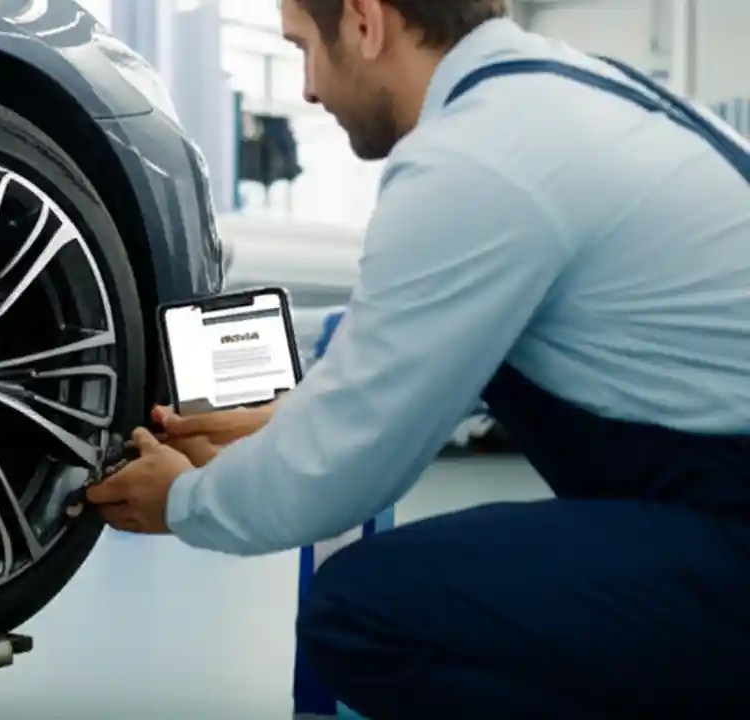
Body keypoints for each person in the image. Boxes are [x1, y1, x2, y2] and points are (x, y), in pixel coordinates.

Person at [84, 0, 750, 717]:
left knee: (365, 614)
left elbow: (339, 475)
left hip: (731, 527)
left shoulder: (476, 158)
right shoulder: (557, 95)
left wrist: (179, 502)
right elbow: (417, 376)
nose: (305, 87)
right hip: (710, 489)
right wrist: (274, 426)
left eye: (303, 45)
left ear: (366, 22)